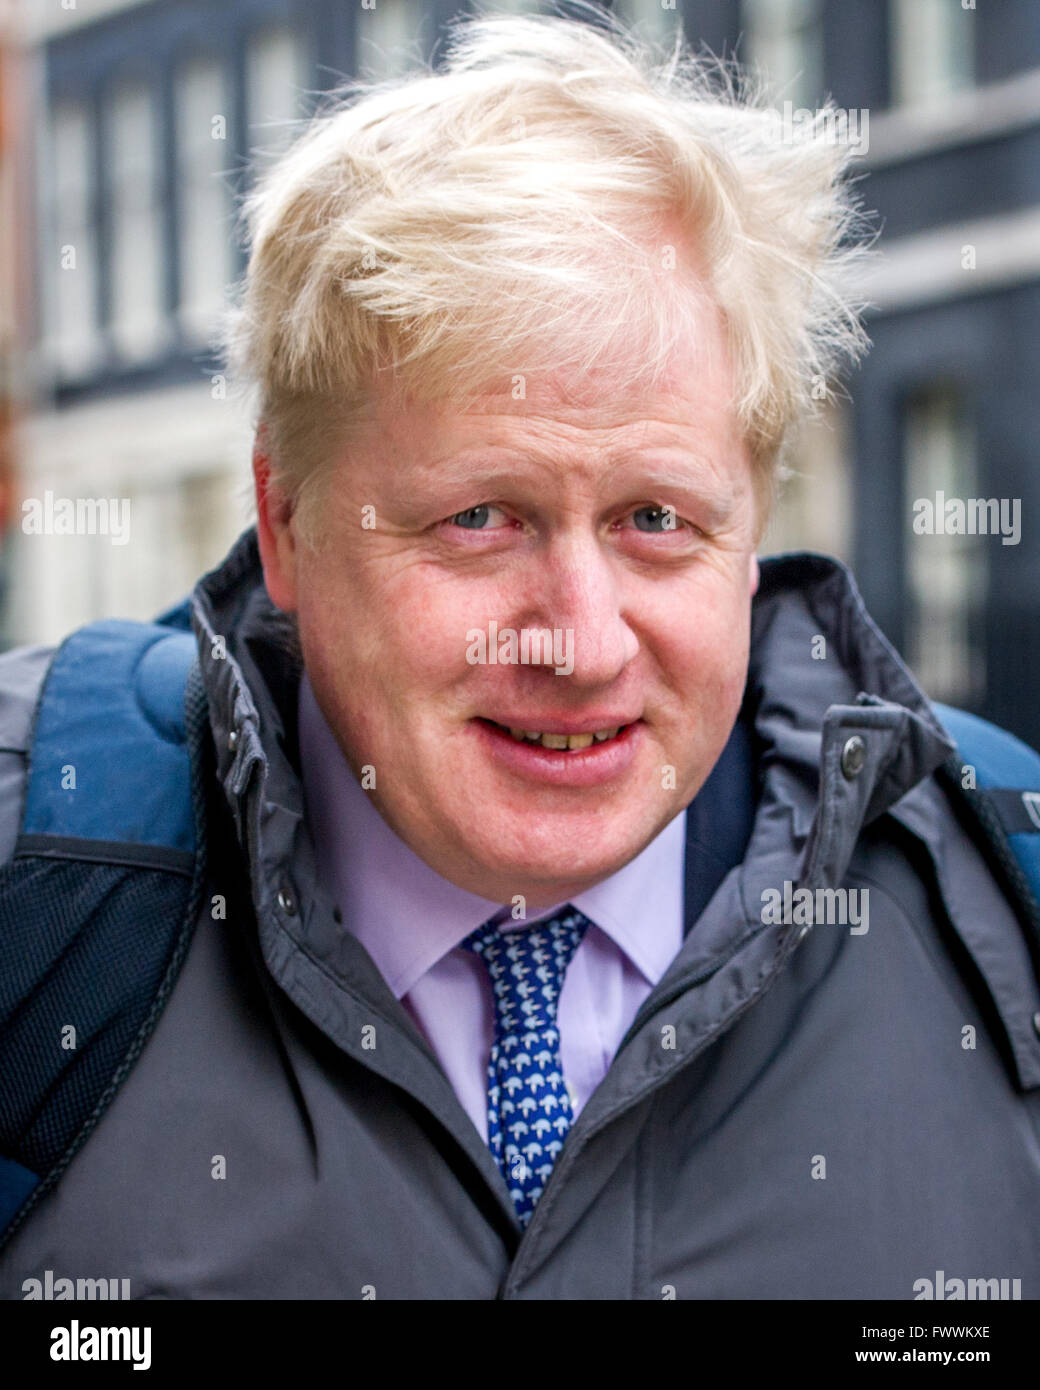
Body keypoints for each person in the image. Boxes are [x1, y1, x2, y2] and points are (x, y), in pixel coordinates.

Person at [1, 8, 1038, 1301]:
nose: (583, 640)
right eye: (480, 519)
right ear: (284, 521)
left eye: (657, 520)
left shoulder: (1001, 891)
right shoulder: (39, 887)